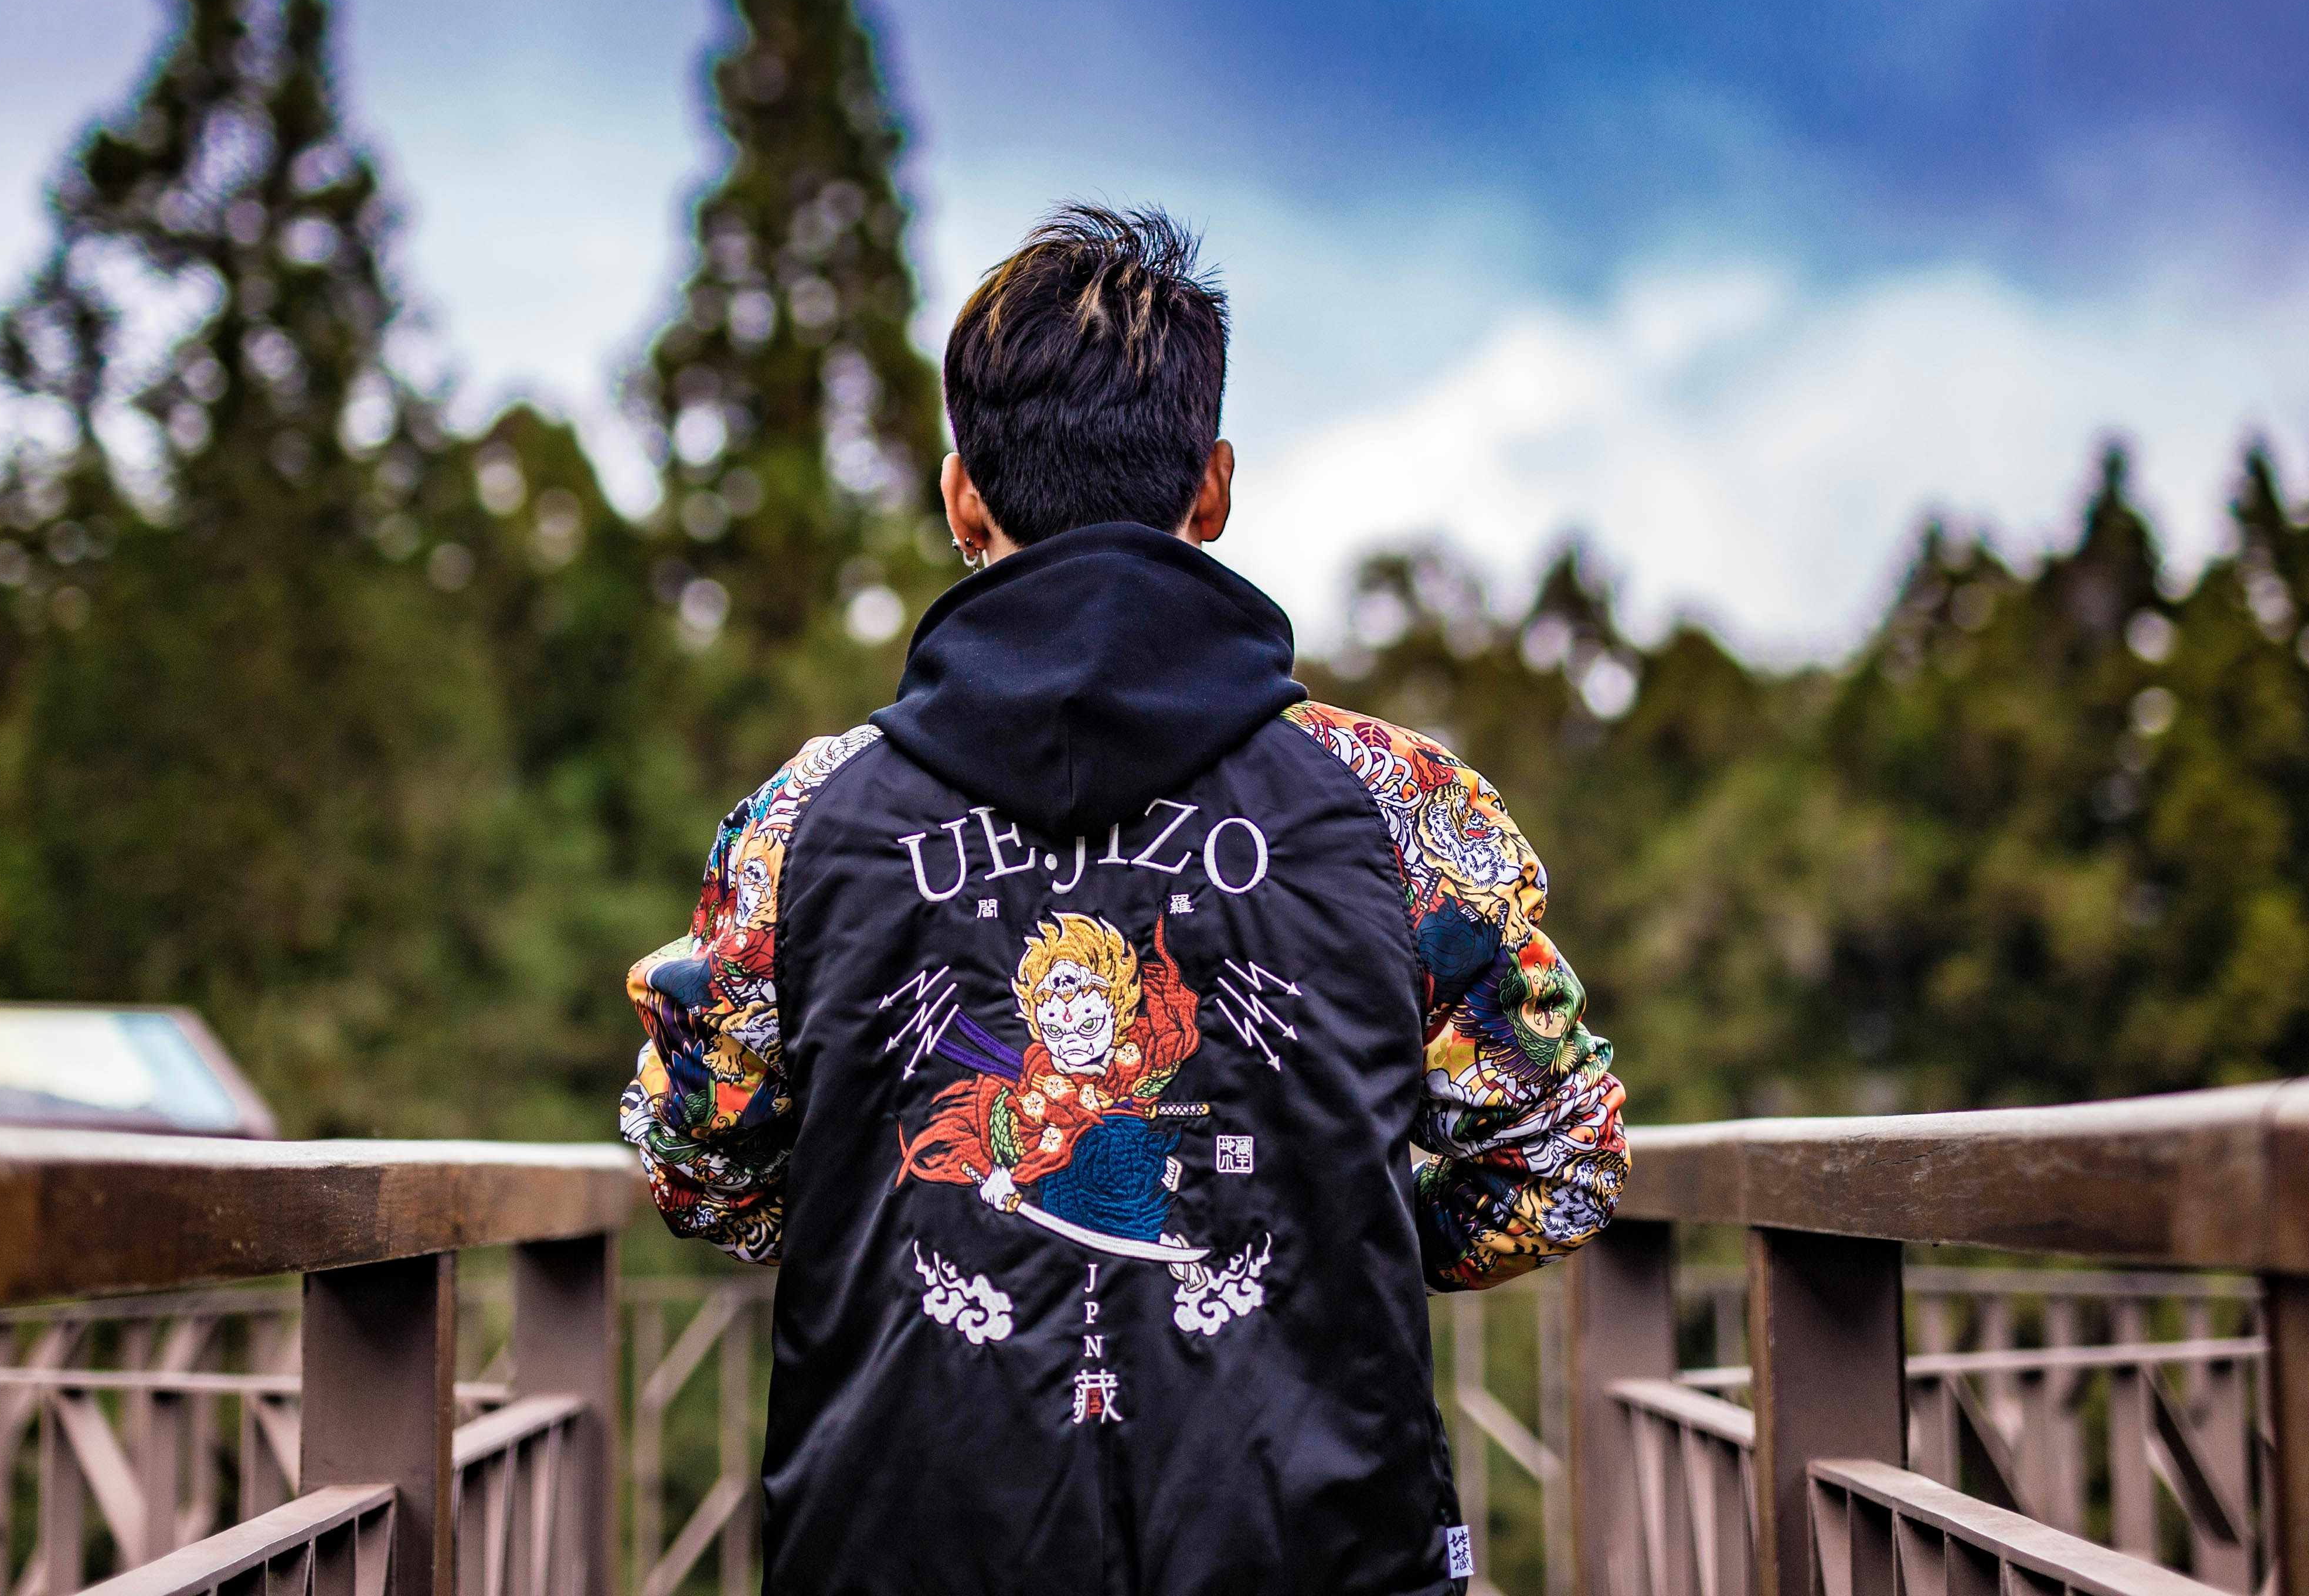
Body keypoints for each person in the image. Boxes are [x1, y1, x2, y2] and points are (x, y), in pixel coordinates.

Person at [622, 204, 1628, 1595]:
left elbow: (700, 1162)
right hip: (1319, 1553)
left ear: (963, 494)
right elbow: (1562, 1159)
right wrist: (1336, 1229)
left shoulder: (802, 824)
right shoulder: (1400, 810)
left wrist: (901, 1214)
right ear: (1210, 493)